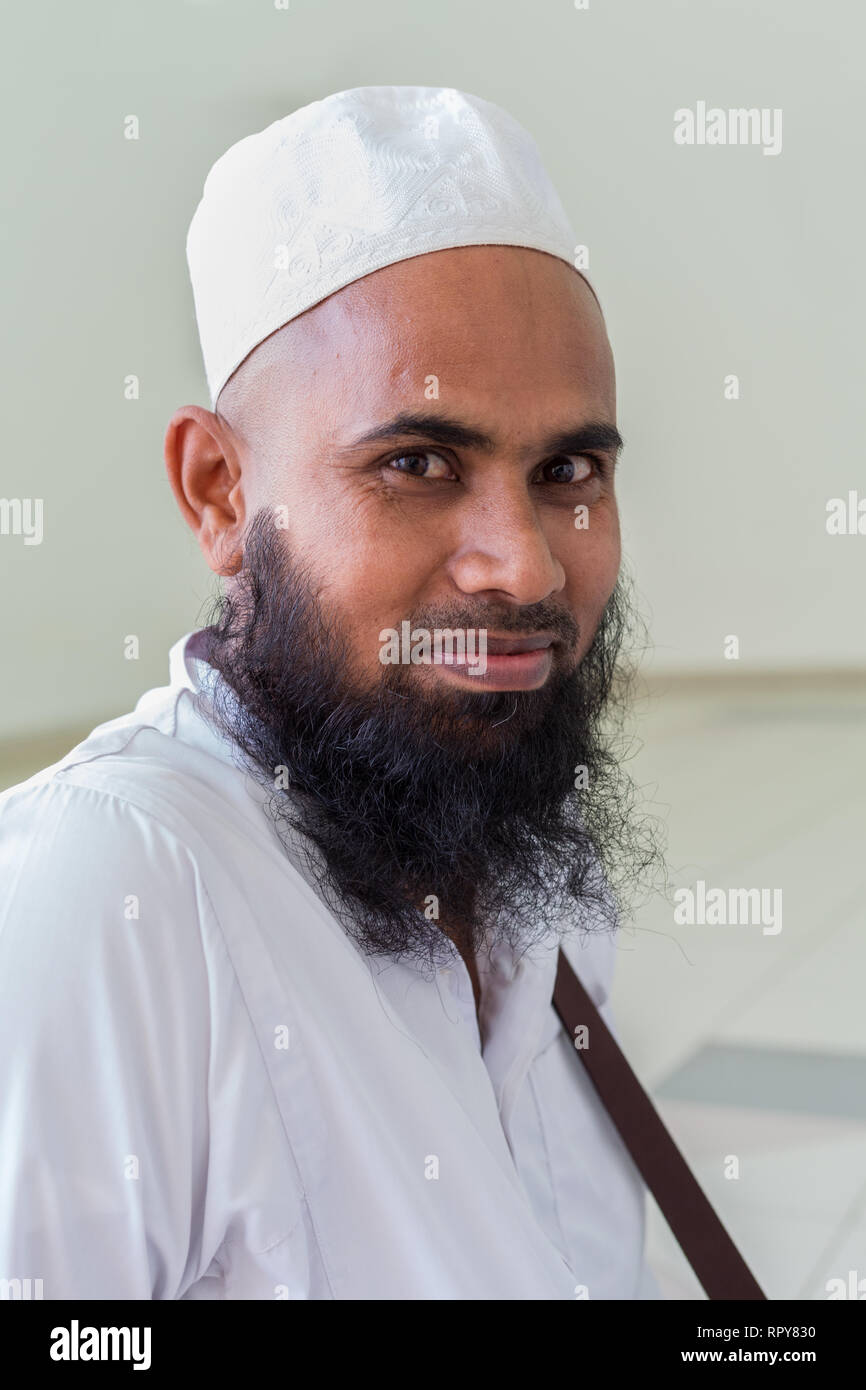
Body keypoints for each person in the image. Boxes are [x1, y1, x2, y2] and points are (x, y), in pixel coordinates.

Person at [0, 85, 662, 1299]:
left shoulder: (524, 862)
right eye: (416, 463)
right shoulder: (111, 891)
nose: (522, 564)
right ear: (217, 491)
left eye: (566, 469)